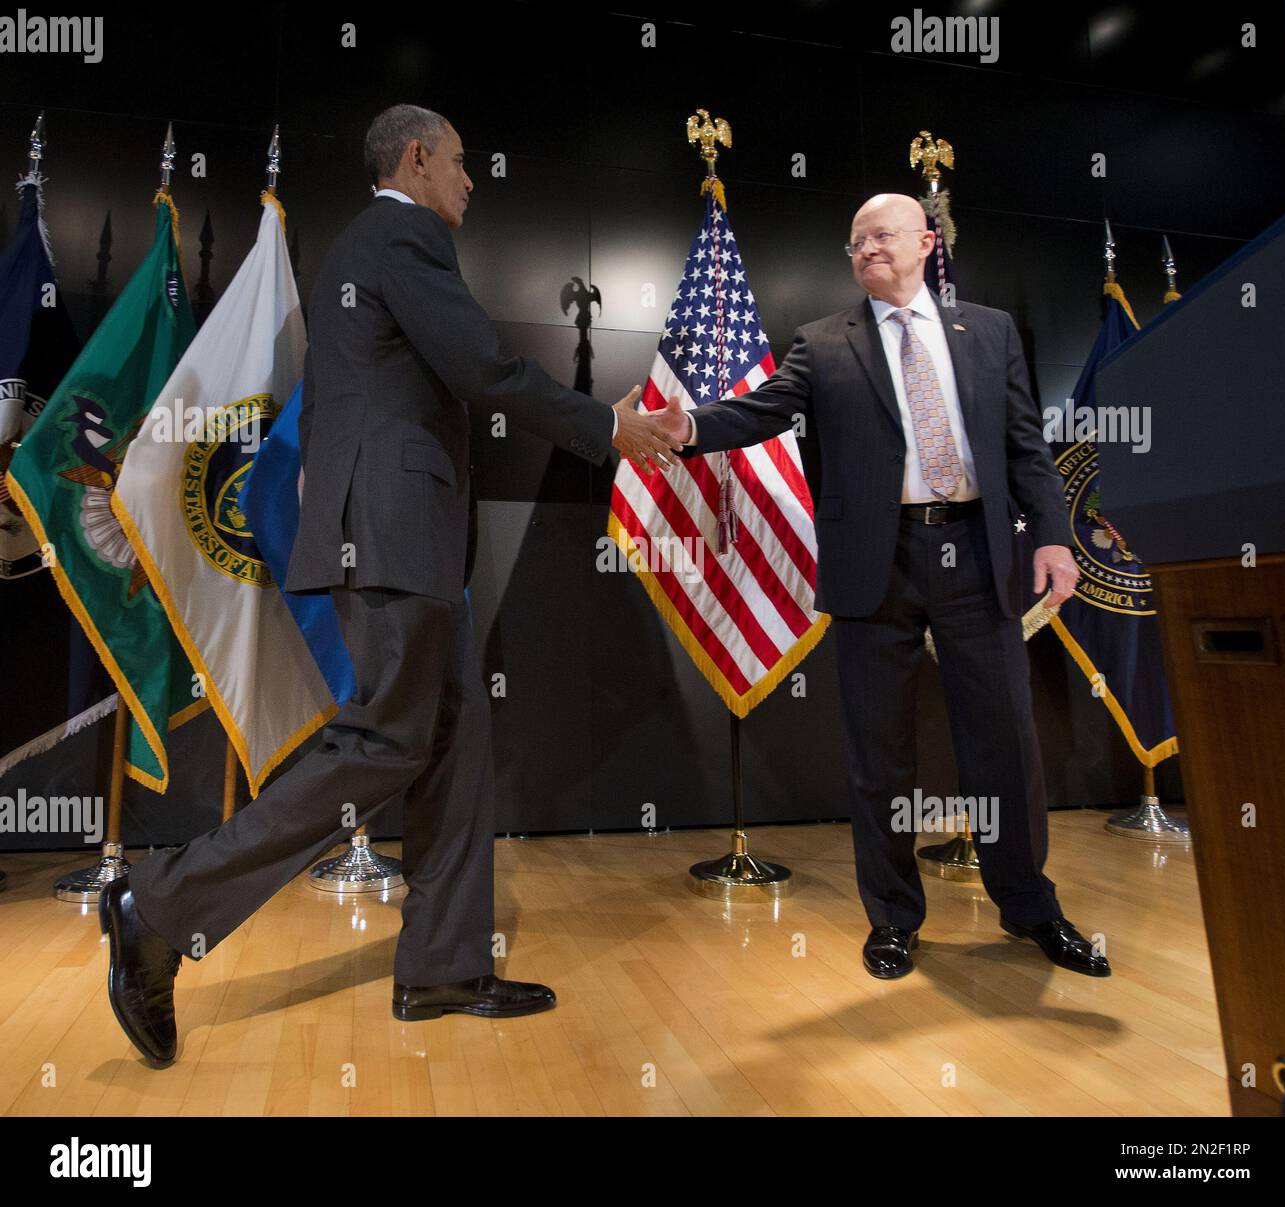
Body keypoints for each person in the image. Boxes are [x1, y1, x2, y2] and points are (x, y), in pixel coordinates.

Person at [99, 104, 681, 1069]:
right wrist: (602, 426)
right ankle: (160, 907)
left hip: (392, 539)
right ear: (415, 157)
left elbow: (349, 403)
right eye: (458, 161)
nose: (470, 178)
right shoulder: (402, 234)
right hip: (393, 538)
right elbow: (482, 368)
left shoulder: (356, 250)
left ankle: (444, 964)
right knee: (386, 742)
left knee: (453, 742)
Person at [652, 193, 1110, 981]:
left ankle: (1031, 906)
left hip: (978, 551)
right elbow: (761, 412)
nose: (865, 247)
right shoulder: (825, 342)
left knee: (1005, 744)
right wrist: (689, 429)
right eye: (855, 239)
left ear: (928, 242)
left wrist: (1057, 542)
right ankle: (894, 919)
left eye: (881, 234)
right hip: (878, 558)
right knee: (879, 754)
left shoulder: (990, 331)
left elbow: (1027, 447)